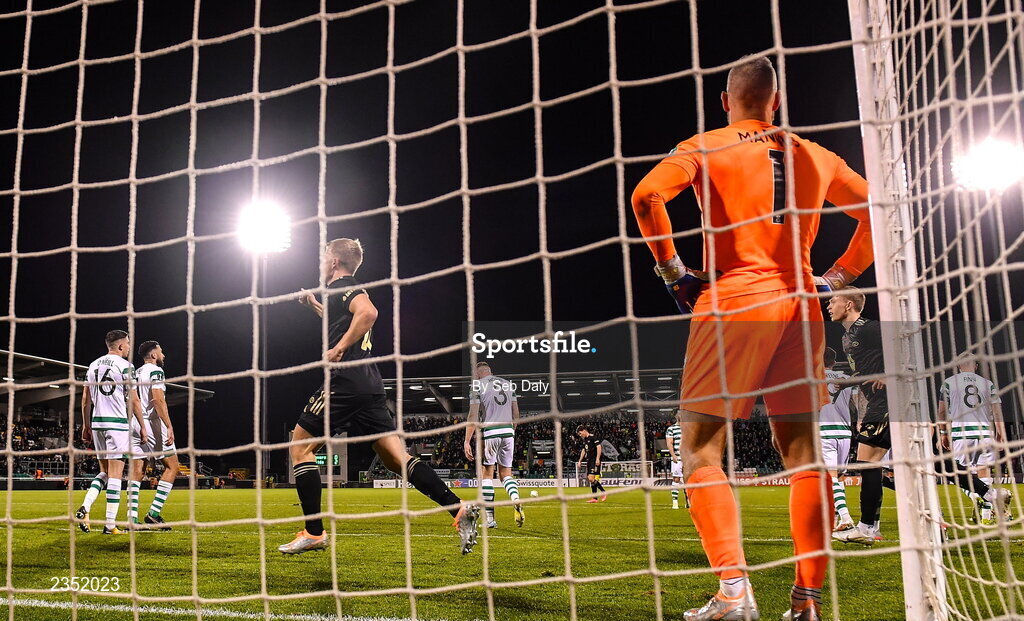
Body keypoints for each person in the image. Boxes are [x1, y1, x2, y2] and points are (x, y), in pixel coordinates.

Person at [631, 55, 874, 621]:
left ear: (725, 101)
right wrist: (839, 276)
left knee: (698, 449)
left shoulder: (705, 143)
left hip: (735, 300)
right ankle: (807, 600)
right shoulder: (818, 154)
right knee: (804, 454)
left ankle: (735, 589)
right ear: (777, 101)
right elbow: (881, 213)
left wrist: (673, 272)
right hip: (800, 305)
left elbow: (646, 197)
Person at [280, 238, 479, 555]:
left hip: (345, 381)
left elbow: (368, 313)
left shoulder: (345, 287)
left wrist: (340, 348)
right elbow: (345, 319)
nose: (320, 262)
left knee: (300, 446)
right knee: (396, 459)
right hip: (370, 386)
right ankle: (458, 509)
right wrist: (316, 306)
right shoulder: (338, 293)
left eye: (323, 257)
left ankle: (314, 532)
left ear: (334, 261)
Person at [76, 330, 149, 535]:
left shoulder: (93, 365)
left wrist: (85, 425)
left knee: (106, 473)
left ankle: (86, 506)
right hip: (117, 424)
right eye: (127, 343)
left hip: (97, 424)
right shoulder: (126, 367)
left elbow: (85, 399)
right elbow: (134, 399)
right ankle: (110, 525)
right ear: (119, 346)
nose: (128, 347)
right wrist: (142, 426)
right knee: (116, 475)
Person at [937, 356, 1009, 525]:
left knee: (960, 474)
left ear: (959, 366)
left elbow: (941, 411)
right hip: (985, 434)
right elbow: (997, 411)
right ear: (976, 366)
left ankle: (979, 498)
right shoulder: (987, 383)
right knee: (984, 473)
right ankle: (986, 515)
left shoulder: (949, 382)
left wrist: (943, 433)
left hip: (960, 434)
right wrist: (1000, 433)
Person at [463, 362, 525, 529]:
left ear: (478, 374)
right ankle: (515, 499)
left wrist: (467, 440)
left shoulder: (477, 385)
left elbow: (473, 415)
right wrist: (511, 431)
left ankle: (490, 520)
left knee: (487, 474)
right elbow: (516, 414)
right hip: (508, 432)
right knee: (506, 474)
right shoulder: (508, 384)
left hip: (491, 431)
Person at [127, 340, 180, 529]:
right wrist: (169, 425)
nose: (163, 355)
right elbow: (157, 400)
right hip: (152, 424)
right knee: (172, 467)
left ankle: (132, 519)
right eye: (161, 351)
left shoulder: (135, 372)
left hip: (134, 423)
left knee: (136, 471)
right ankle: (153, 514)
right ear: (154, 355)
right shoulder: (156, 371)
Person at [819, 347, 856, 533]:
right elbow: (857, 401)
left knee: (830, 477)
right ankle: (835, 519)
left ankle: (846, 517)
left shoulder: (813, 378)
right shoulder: (845, 378)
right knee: (839, 477)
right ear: (834, 361)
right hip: (844, 431)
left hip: (824, 431)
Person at [576, 425, 606, 503]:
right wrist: (580, 460)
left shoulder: (593, 437)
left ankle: (603, 492)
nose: (580, 435)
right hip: (589, 461)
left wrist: (597, 458)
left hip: (594, 460)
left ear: (583, 431)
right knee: (591, 479)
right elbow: (583, 450)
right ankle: (595, 498)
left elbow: (599, 447)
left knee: (591, 478)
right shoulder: (585, 440)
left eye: (580, 433)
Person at [665, 420, 684, 509]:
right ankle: (675, 502)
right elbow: (669, 443)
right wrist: (673, 455)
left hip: (688, 459)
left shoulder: (688, 427)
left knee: (689, 480)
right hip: (678, 458)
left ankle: (688, 501)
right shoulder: (671, 429)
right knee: (676, 479)